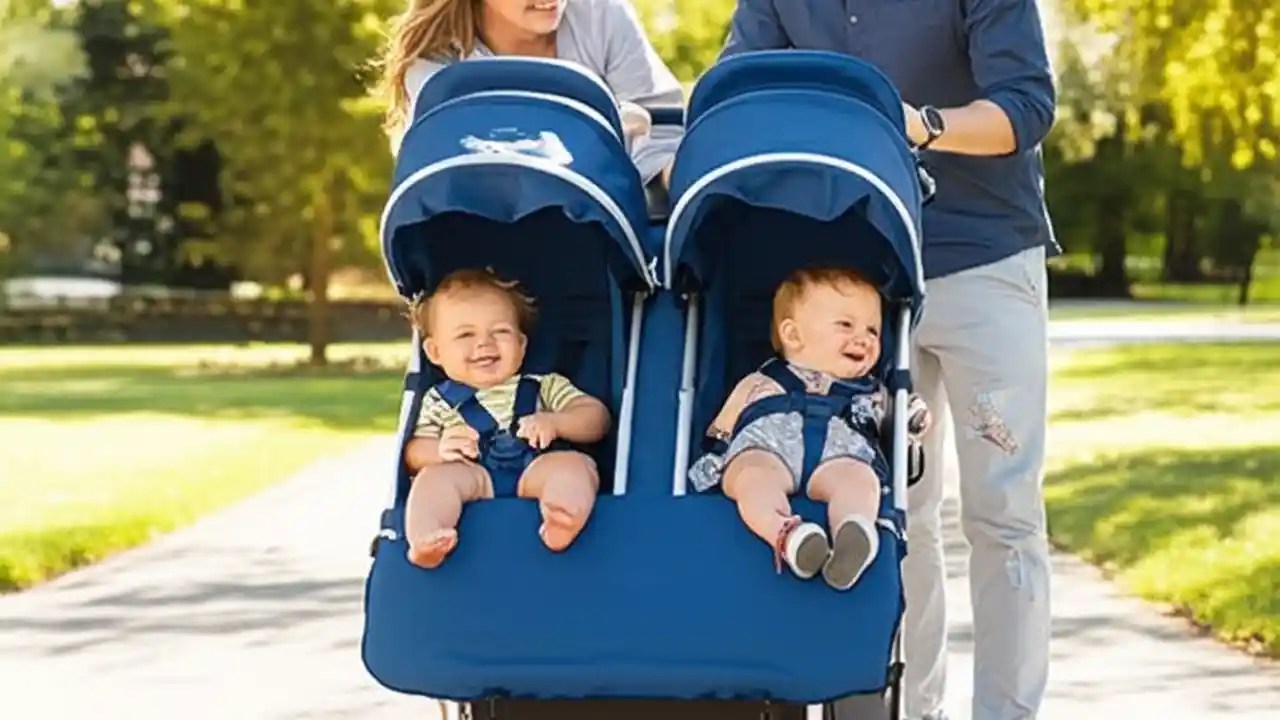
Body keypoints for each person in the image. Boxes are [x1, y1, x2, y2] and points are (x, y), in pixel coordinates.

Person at [720, 2, 1058, 719]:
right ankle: (916, 708)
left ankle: (1009, 712)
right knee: (903, 510)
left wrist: (918, 123)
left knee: (1004, 513)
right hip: (863, 278)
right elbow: (739, 93)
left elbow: (1026, 108)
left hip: (986, 260)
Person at [688, 267, 930, 590]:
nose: (864, 338)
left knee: (861, 480)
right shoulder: (763, 381)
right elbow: (723, 426)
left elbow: (898, 435)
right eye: (846, 325)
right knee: (751, 477)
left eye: (873, 330)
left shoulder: (870, 392)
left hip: (840, 452)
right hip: (767, 445)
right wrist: (715, 459)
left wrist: (911, 423)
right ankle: (788, 534)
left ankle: (853, 529)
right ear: (793, 335)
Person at [401, 268, 611, 568]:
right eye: (465, 335)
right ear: (435, 352)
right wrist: (441, 449)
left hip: (536, 470)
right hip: (472, 476)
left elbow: (596, 419)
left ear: (522, 344)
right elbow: (413, 452)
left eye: (500, 332)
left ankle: (564, 514)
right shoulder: (438, 400)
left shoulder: (545, 384)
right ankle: (427, 536)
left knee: (575, 466)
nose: (484, 343)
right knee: (432, 480)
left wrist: (556, 422)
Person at [376, 0, 683, 186]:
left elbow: (661, 133)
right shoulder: (436, 69)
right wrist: (606, 124)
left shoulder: (601, 14)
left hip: (604, 224)